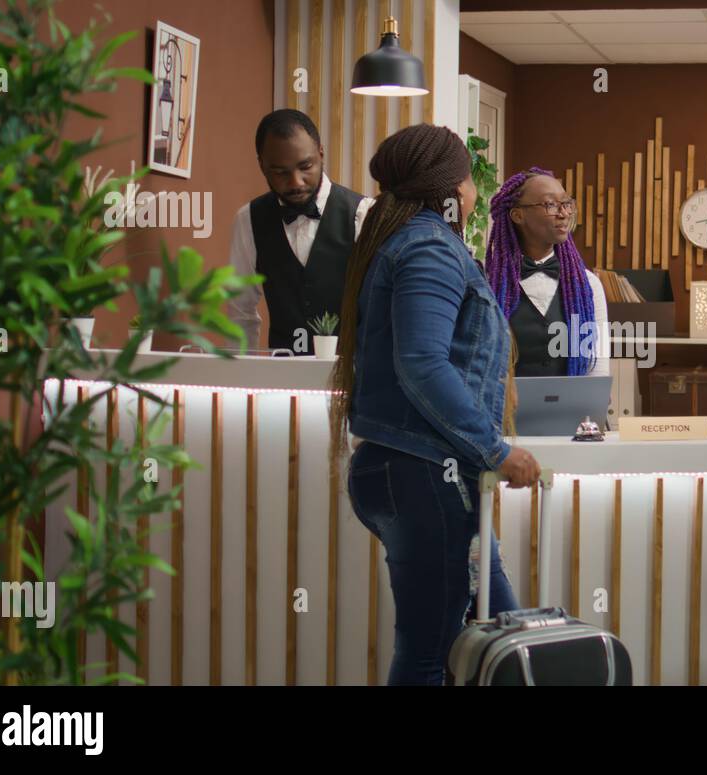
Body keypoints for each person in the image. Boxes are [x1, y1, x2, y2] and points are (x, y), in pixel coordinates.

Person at [328, 124, 541, 685]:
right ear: (452, 189)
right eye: (469, 180)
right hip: (424, 474)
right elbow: (422, 365)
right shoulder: (427, 247)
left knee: (495, 638)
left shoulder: (407, 240)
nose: (474, 193)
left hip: (419, 474)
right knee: (434, 655)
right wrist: (495, 449)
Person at [228, 109, 373, 352]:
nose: (296, 182)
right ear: (262, 165)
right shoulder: (248, 219)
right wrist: (242, 377)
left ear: (321, 154)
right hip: (283, 378)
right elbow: (240, 310)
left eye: (305, 166)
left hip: (354, 375)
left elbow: (378, 307)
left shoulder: (363, 213)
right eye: (280, 172)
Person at [483, 168, 609, 377]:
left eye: (567, 203)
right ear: (517, 215)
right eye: (550, 204)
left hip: (570, 408)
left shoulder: (588, 285)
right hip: (506, 409)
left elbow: (597, 368)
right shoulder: (489, 284)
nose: (564, 213)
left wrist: (594, 402)